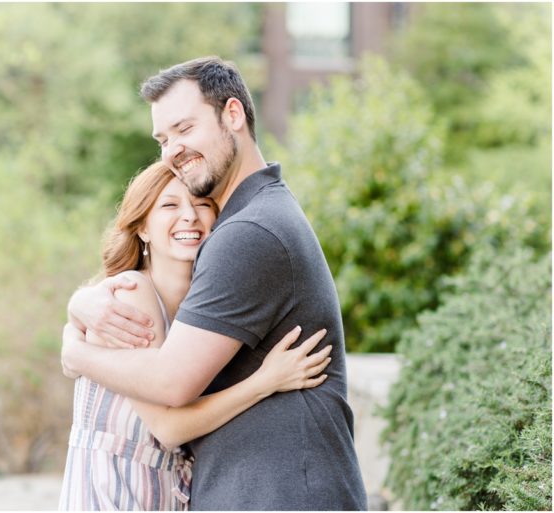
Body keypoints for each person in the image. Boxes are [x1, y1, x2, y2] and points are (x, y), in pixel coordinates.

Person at [61, 56, 367, 510]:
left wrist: (75, 352)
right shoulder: (247, 222)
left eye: (184, 129)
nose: (172, 150)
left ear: (233, 115)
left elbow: (171, 383)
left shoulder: (250, 232)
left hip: (283, 495)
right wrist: (79, 305)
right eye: (163, 139)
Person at [59, 161, 332, 510]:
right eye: (170, 206)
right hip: (112, 492)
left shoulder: (203, 315)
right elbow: (168, 429)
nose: (189, 216)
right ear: (142, 227)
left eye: (202, 205)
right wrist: (267, 380)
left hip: (167, 494)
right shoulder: (130, 295)